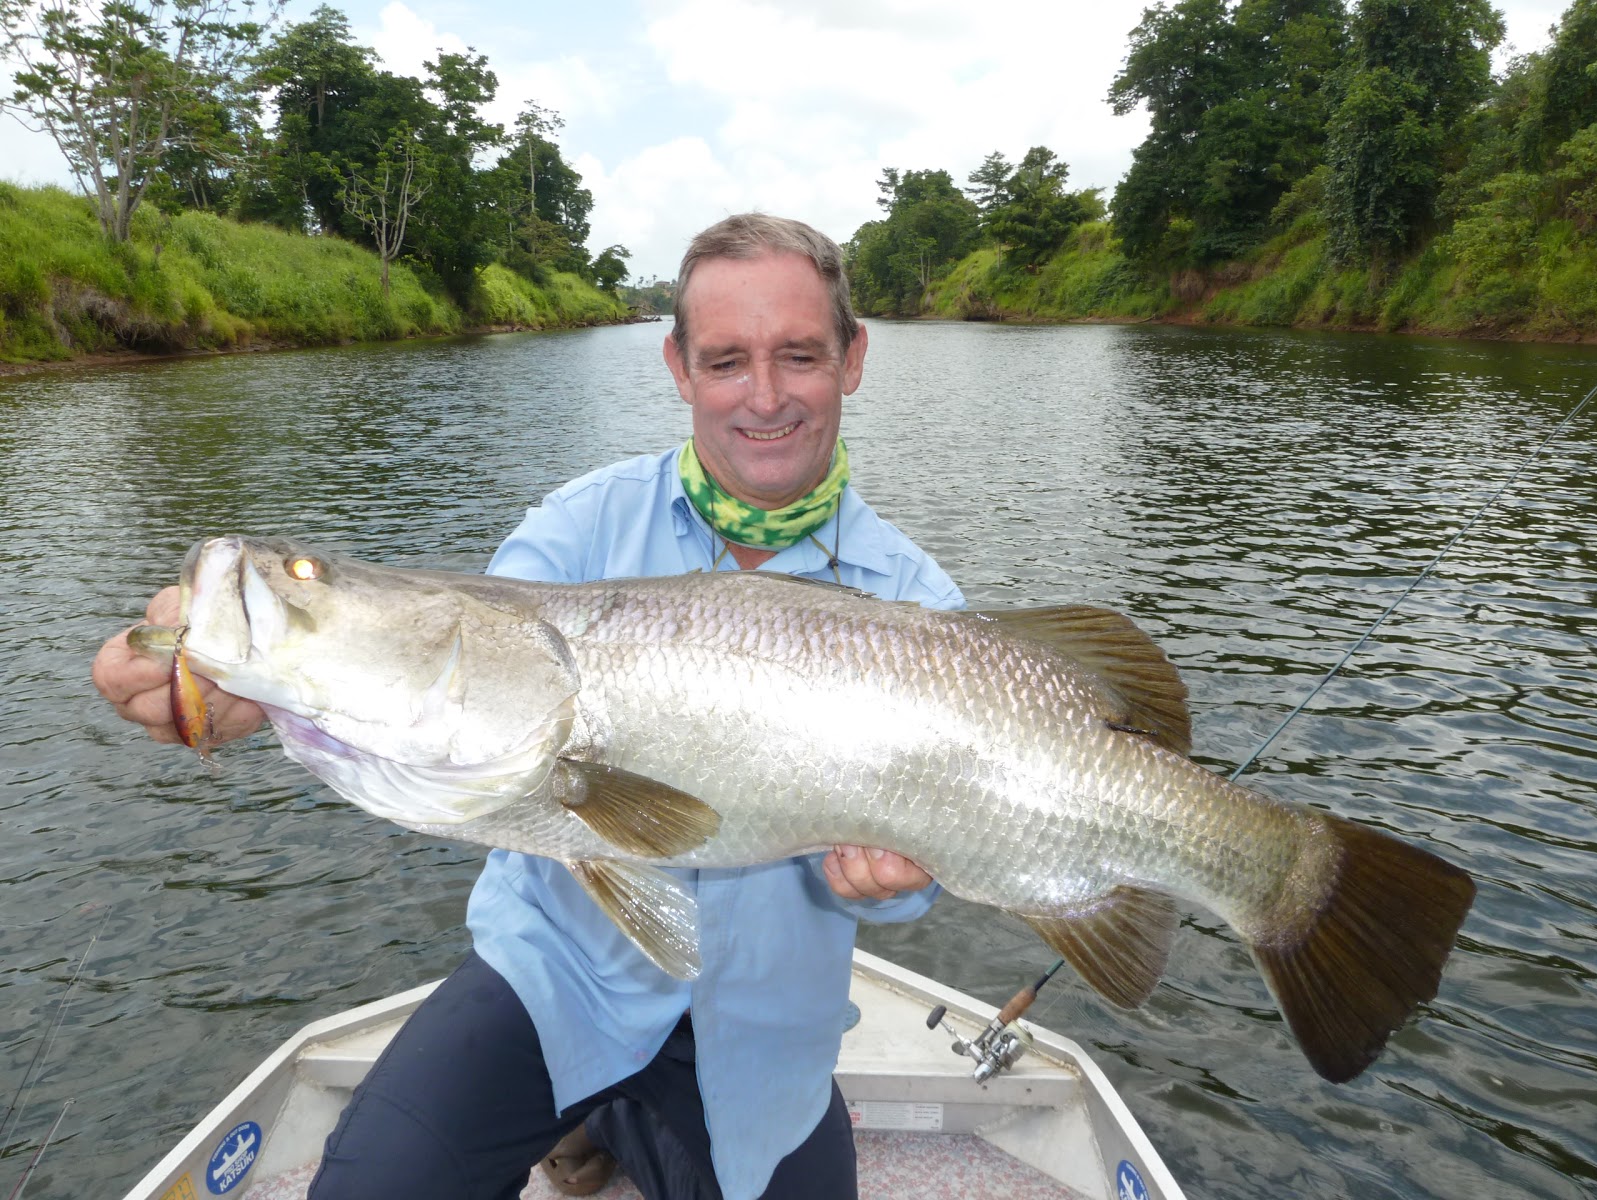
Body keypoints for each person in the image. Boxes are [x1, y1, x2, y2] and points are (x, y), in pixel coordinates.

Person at [92, 213, 964, 1200]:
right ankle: (600, 1109)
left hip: (765, 1024)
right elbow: (454, 677)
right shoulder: (577, 526)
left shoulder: (922, 604)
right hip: (557, 986)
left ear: (851, 358)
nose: (762, 397)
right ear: (679, 368)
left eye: (798, 355)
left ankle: (615, 1122)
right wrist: (242, 674)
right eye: (726, 361)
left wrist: (891, 880)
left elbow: (932, 877)